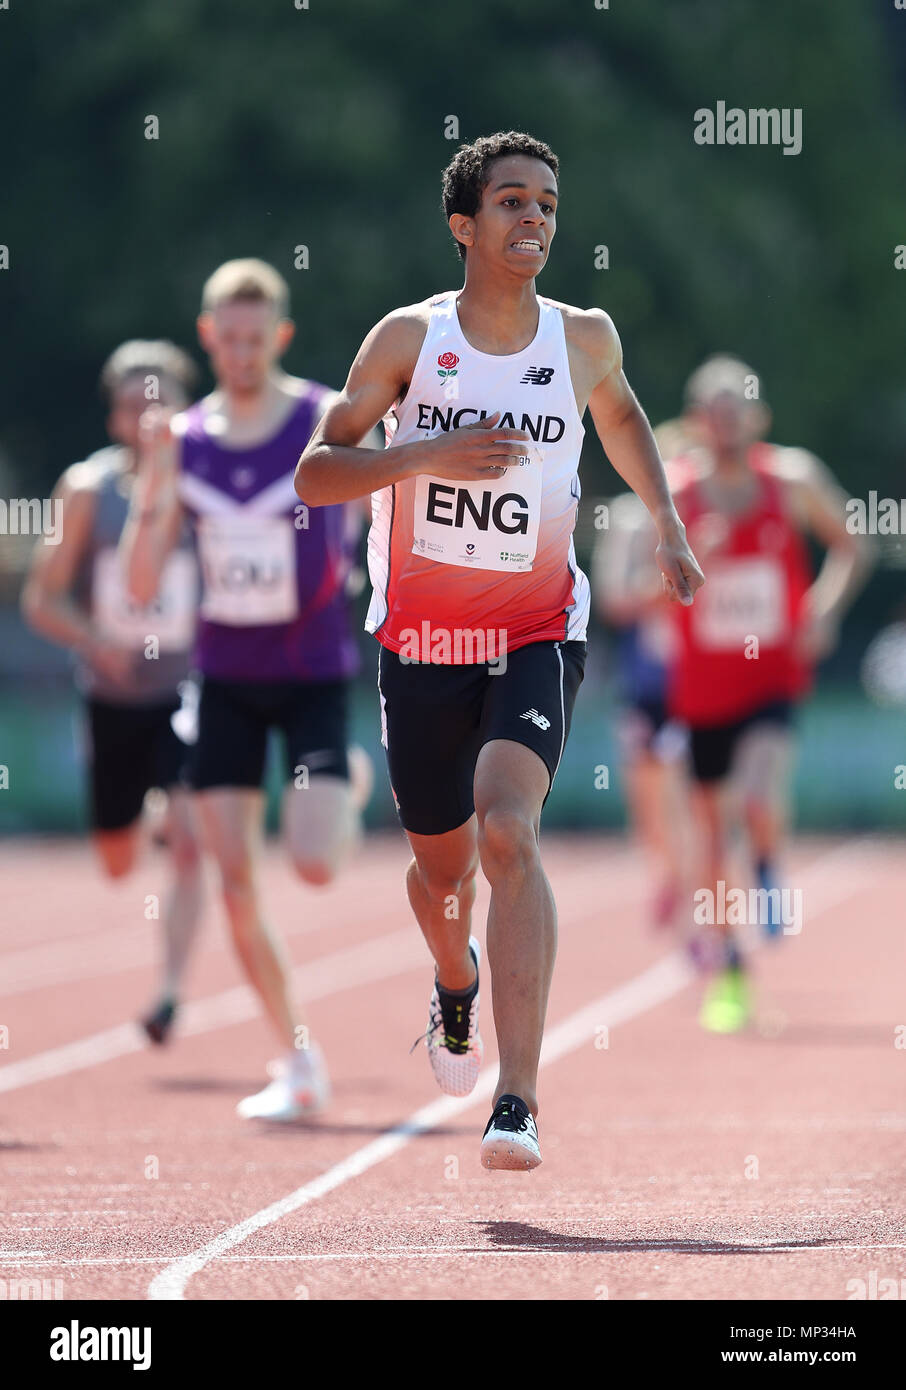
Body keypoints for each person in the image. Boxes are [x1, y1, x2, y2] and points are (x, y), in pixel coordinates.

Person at [295, 131, 704, 1168]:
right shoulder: (408, 338)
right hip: (422, 637)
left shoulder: (584, 338)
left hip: (534, 627)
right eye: (513, 202)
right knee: (440, 879)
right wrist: (431, 454)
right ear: (464, 225)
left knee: (509, 831)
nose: (535, 219)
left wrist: (666, 523)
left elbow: (620, 417)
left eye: (549, 204)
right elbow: (317, 472)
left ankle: (517, 1098)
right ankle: (455, 981)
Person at [122, 259, 372, 1121]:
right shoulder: (183, 442)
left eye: (255, 339)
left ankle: (349, 783)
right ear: (207, 337)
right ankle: (299, 1060)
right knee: (235, 879)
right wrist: (157, 489)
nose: (240, 352)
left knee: (311, 863)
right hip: (225, 677)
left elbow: (384, 509)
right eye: (226, 339)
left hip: (309, 674)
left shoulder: (322, 419)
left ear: (281, 338)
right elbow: (144, 578)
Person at [667, 355, 869, 1031]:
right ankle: (729, 969)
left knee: (755, 794)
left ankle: (769, 854)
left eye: (738, 411)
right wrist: (697, 559)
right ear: (698, 422)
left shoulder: (792, 478)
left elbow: (854, 545)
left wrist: (822, 608)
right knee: (711, 837)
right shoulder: (673, 493)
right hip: (702, 692)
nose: (727, 424)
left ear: (758, 418)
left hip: (773, 675)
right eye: (714, 413)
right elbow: (631, 595)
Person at [22, 340, 204, 1044]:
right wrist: (99, 641)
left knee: (190, 838)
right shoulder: (88, 492)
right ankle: (148, 813)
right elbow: (43, 598)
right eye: (135, 404)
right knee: (116, 857)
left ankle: (168, 994)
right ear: (114, 420)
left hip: (190, 687)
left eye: (162, 401)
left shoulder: (209, 485)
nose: (149, 415)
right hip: (114, 694)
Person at [591, 439, 702, 928]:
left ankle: (699, 898)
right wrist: (666, 583)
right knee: (648, 804)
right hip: (644, 683)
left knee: (688, 798)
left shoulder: (706, 515)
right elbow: (614, 599)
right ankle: (671, 875)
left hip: (697, 682)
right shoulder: (628, 519)